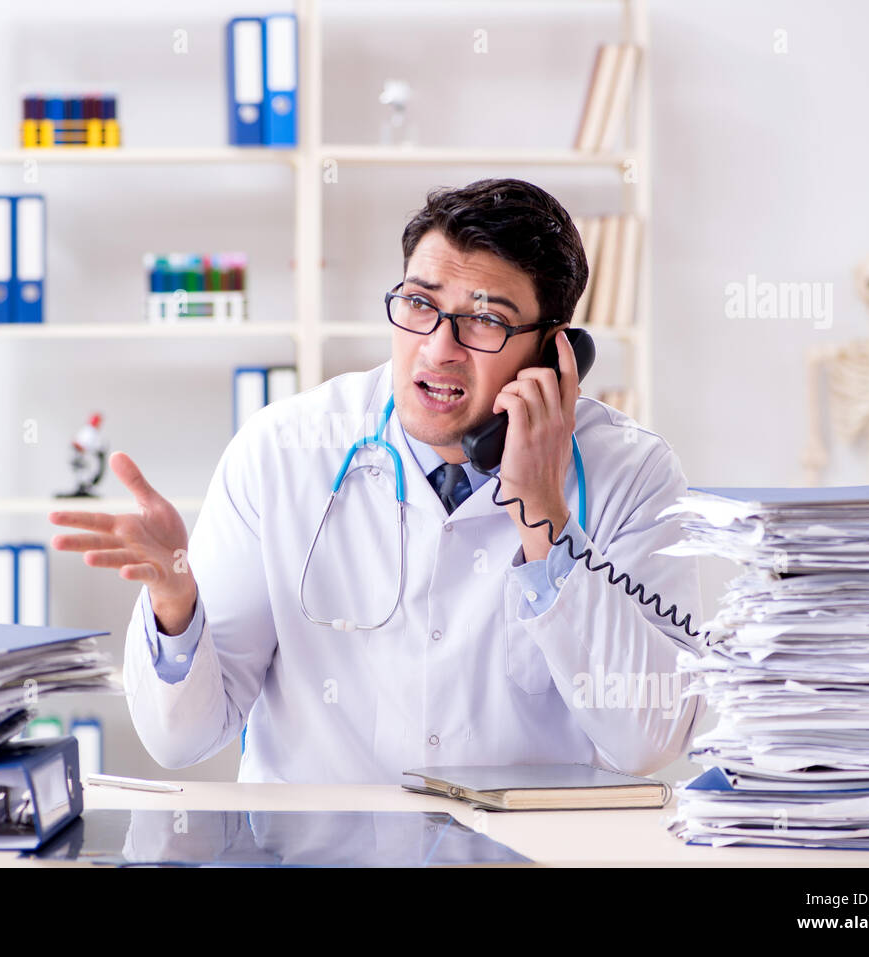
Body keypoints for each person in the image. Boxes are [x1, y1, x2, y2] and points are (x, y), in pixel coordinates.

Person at [50, 178, 705, 784]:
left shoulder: (632, 473)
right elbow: (180, 739)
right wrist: (173, 602)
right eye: (420, 303)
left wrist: (545, 517)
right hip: (310, 858)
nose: (438, 346)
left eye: (485, 319)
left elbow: (647, 739)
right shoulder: (283, 452)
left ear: (553, 351)